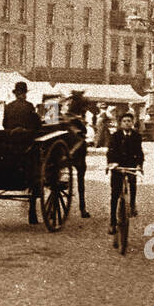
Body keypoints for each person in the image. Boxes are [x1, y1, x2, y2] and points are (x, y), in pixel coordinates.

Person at [106, 112, 144, 236]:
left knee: (133, 183)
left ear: (132, 123)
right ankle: (112, 222)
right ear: (121, 123)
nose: (127, 123)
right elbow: (110, 151)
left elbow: (139, 152)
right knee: (115, 194)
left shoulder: (136, 136)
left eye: (129, 121)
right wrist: (112, 163)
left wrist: (139, 165)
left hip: (131, 165)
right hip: (117, 165)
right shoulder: (115, 136)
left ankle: (132, 205)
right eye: (124, 121)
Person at [63, 91, 91, 219]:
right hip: (75, 151)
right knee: (81, 176)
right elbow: (84, 131)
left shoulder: (60, 115)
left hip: (60, 147)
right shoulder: (77, 120)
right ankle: (82, 208)